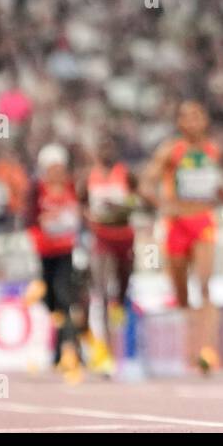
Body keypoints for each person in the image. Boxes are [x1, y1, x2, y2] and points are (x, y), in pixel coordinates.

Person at [142, 101, 223, 374]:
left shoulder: (214, 150)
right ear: (180, 123)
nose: (192, 122)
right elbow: (147, 182)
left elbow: (218, 184)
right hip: (176, 223)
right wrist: (162, 204)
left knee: (205, 284)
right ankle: (190, 347)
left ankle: (207, 350)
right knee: (181, 290)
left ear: (205, 121)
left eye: (197, 116)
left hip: (203, 219)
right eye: (186, 117)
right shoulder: (171, 150)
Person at [80, 135, 140, 377]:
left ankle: (120, 304)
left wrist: (121, 206)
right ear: (96, 153)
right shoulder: (88, 178)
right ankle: (105, 352)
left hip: (124, 236)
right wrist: (90, 216)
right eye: (102, 148)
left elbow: (136, 200)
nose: (106, 153)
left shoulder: (127, 174)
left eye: (110, 148)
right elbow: (81, 204)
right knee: (102, 290)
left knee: (123, 283)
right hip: (101, 238)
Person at [25, 143, 84, 380]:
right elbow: (30, 219)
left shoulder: (72, 187)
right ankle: (59, 352)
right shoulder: (38, 190)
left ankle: (69, 352)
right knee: (51, 302)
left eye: (60, 168)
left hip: (66, 251)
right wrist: (46, 225)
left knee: (63, 298)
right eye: (52, 168)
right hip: (44, 252)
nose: (57, 173)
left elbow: (81, 213)